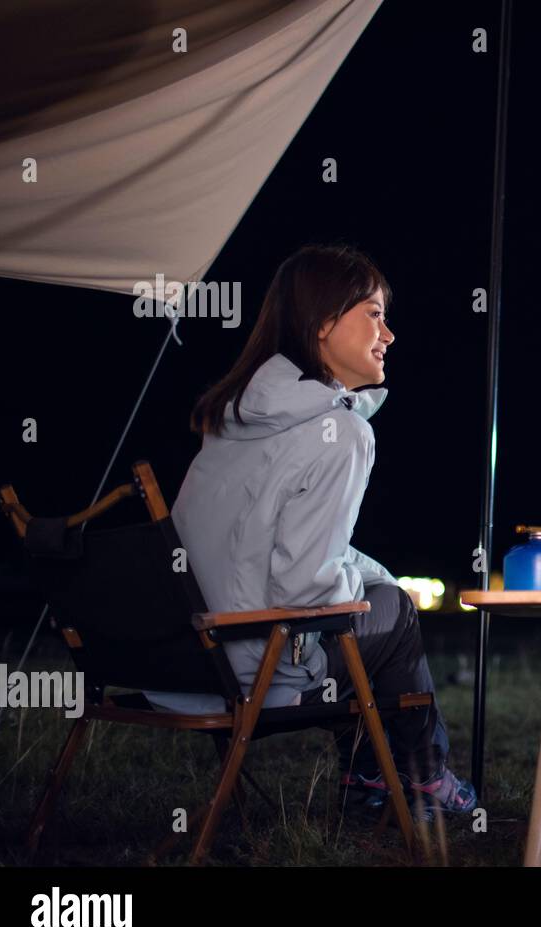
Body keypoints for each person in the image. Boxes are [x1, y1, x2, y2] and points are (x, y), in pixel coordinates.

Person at [147, 243, 476, 818]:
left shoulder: (234, 417)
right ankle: (421, 777)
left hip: (180, 662)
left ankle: (375, 779)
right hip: (256, 670)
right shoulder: (341, 433)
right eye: (374, 313)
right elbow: (305, 589)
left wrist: (360, 575)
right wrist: (370, 588)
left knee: (375, 598)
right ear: (325, 323)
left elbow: (276, 551)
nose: (389, 334)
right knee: (391, 613)